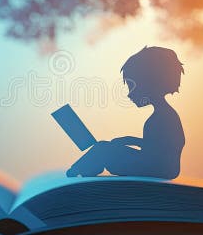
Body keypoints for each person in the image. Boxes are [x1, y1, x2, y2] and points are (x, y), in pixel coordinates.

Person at [67, 46, 186, 179]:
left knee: (103, 148)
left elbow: (160, 150)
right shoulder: (164, 116)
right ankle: (87, 168)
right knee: (105, 148)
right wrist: (128, 141)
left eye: (132, 87)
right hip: (158, 167)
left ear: (149, 84)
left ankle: (76, 170)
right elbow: (154, 147)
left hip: (158, 169)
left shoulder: (164, 118)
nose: (130, 94)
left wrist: (128, 141)